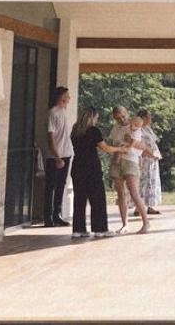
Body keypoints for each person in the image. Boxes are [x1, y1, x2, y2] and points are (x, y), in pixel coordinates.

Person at [69, 107, 127, 238]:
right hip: (91, 167)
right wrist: (120, 149)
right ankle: (100, 229)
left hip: (77, 166)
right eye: (96, 117)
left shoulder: (75, 130)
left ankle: (78, 230)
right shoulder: (93, 130)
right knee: (97, 199)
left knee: (80, 199)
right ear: (92, 117)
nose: (97, 120)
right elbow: (105, 147)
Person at [44, 87, 74, 227]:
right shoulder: (53, 113)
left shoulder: (64, 112)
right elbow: (50, 137)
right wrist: (57, 157)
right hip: (55, 156)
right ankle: (48, 216)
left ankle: (57, 214)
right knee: (51, 186)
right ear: (61, 97)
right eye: (67, 96)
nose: (69, 98)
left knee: (61, 185)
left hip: (66, 153)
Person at [135, 109, 163, 216]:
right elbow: (141, 145)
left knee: (152, 183)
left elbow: (153, 142)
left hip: (152, 160)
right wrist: (150, 153)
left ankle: (149, 206)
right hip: (144, 159)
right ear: (143, 118)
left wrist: (155, 154)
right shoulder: (138, 130)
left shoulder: (148, 129)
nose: (150, 119)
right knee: (143, 182)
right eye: (148, 116)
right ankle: (138, 208)